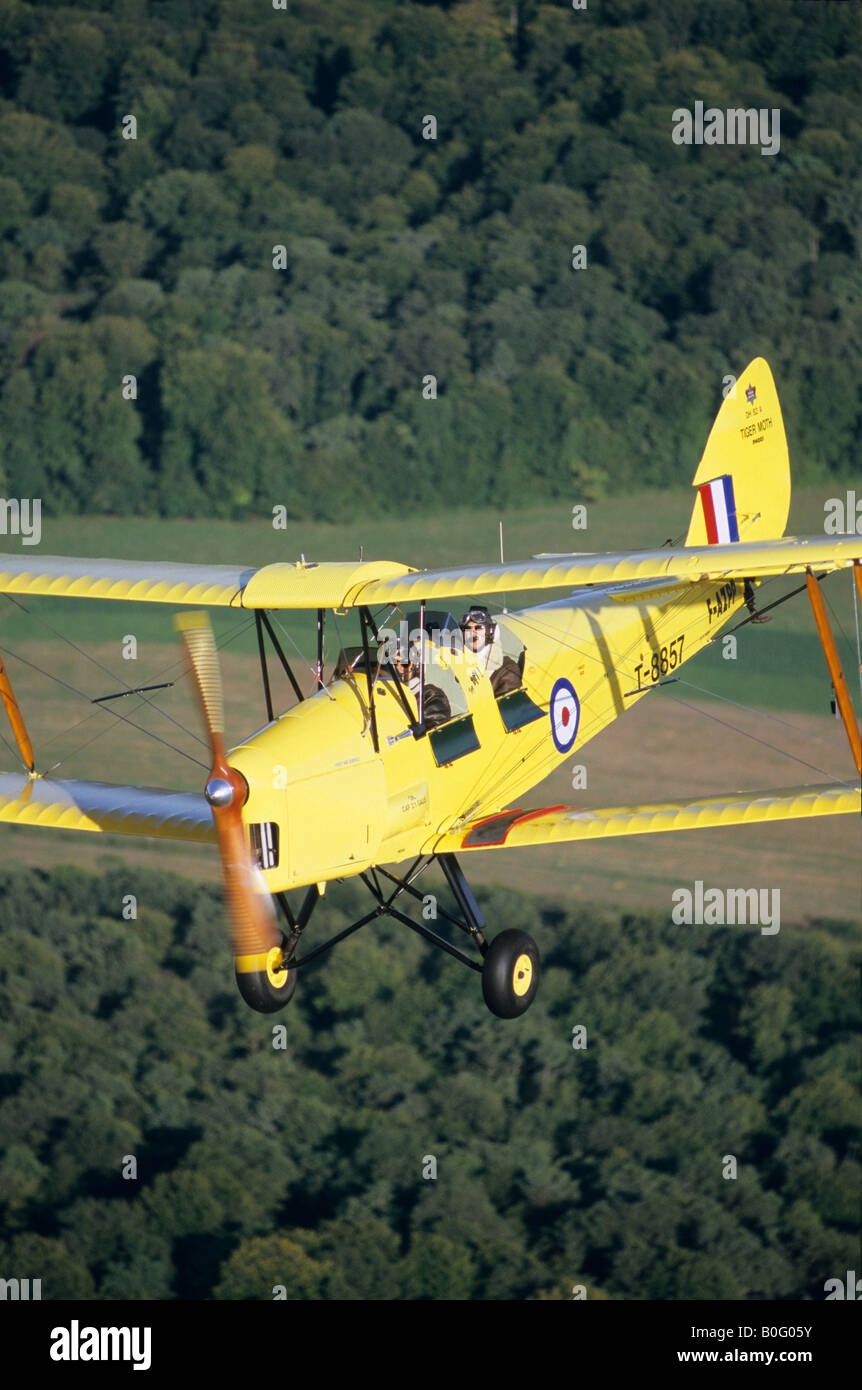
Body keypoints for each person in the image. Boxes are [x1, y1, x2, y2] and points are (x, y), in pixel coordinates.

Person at [460, 605, 522, 697]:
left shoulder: (507, 671)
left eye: (478, 628)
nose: (472, 633)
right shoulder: (460, 667)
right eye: (468, 629)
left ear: (491, 632)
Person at [393, 643, 451, 729]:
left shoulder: (432, 696)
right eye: (394, 663)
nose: (398, 667)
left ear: (415, 665)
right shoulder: (387, 693)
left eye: (404, 663)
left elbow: (436, 731)